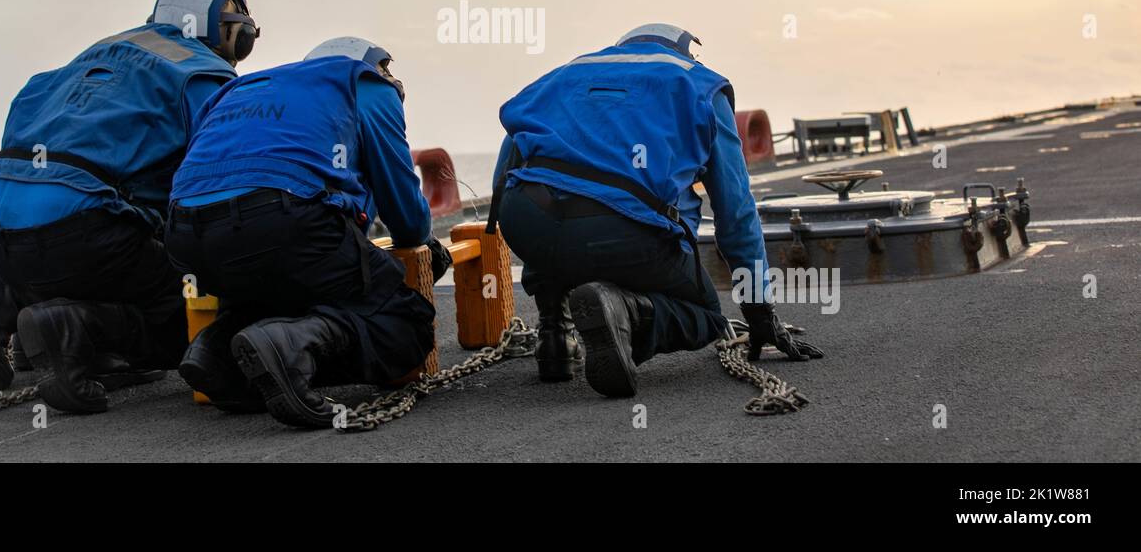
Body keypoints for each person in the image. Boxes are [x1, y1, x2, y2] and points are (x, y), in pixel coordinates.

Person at [0, 0, 258, 413]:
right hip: (79, 233)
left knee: (68, 236)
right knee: (188, 314)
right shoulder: (202, 74)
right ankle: (75, 327)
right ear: (227, 31)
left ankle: (3, 298)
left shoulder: (98, 51)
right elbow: (215, 187)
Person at [491, 23, 822, 397]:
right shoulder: (699, 86)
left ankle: (554, 336)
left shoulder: (563, 75)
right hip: (621, 233)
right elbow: (736, 211)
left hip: (526, 220)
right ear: (684, 51)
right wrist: (758, 311)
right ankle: (626, 312)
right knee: (706, 316)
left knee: (551, 202)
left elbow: (507, 175)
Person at [165, 37, 449, 427]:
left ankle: (215, 353)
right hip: (280, 218)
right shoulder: (361, 84)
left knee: (273, 297)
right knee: (404, 323)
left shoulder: (240, 89)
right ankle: (290, 346)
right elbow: (408, 221)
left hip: (185, 235)